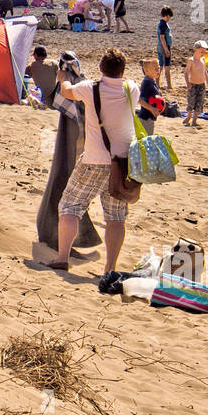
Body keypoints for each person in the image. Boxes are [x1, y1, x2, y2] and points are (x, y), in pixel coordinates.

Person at [44, 48, 137, 276]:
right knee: (115, 217)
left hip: (94, 160)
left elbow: (66, 92)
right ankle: (110, 267)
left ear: (100, 69)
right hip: (122, 163)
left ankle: (62, 257)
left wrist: (64, 77)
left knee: (69, 206)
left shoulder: (89, 88)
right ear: (123, 71)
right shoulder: (131, 89)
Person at [135, 57, 164, 133]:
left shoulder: (152, 81)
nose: (158, 71)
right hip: (145, 118)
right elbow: (140, 100)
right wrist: (152, 109)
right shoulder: (147, 83)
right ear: (146, 70)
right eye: (155, 69)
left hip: (149, 117)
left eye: (158, 68)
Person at [183, 41, 208, 127]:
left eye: (204, 51)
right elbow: (186, 73)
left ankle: (194, 120)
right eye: (202, 51)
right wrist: (187, 83)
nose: (203, 52)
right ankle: (188, 117)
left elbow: (205, 72)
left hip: (201, 84)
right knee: (191, 102)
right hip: (193, 84)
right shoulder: (191, 60)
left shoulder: (203, 59)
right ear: (195, 50)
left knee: (199, 102)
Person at [156, 6, 173, 89]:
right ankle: (169, 85)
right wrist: (166, 50)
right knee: (166, 66)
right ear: (166, 15)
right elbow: (162, 37)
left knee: (160, 65)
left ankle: (157, 84)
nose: (169, 18)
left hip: (160, 46)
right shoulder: (163, 24)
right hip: (164, 46)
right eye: (169, 16)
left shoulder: (161, 23)